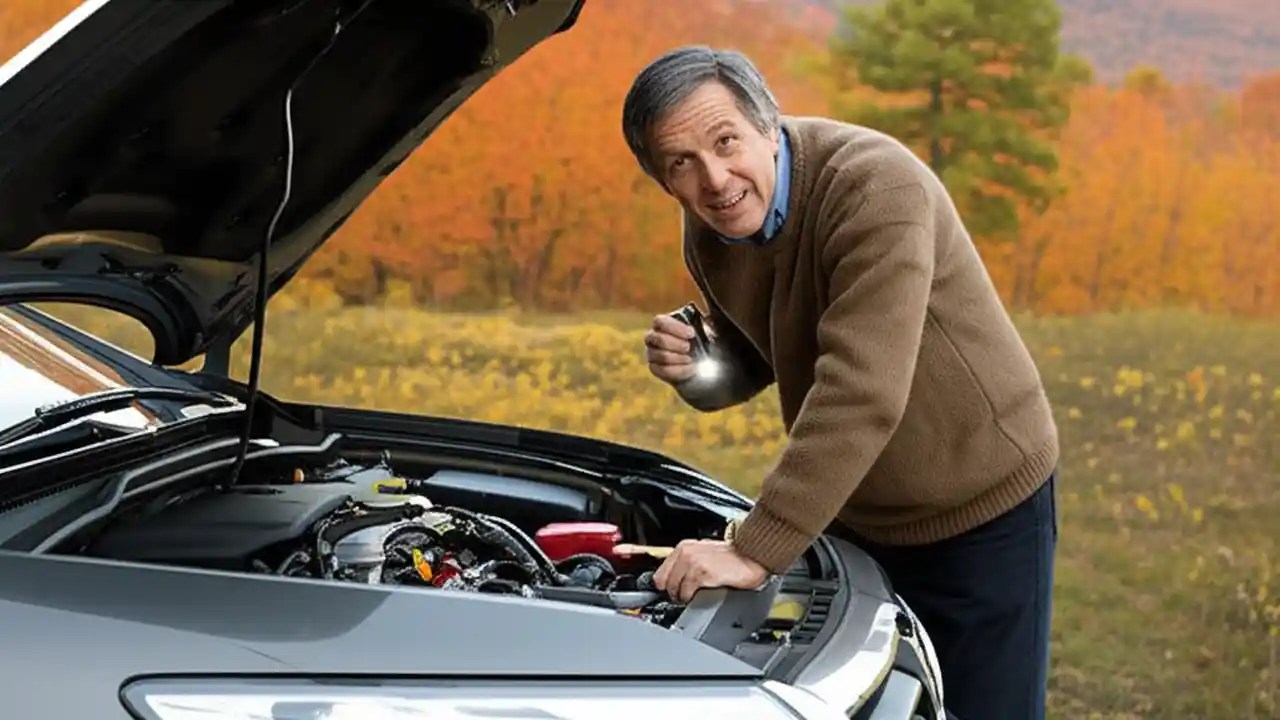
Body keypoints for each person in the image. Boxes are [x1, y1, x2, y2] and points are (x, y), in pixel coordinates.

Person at [622, 46, 1061, 719]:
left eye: (726, 141)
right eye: (682, 164)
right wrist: (698, 369)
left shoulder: (877, 189)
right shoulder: (713, 229)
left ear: (768, 124)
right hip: (857, 514)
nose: (715, 179)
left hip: (979, 506)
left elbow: (862, 389)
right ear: (662, 179)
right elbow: (757, 357)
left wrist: (753, 549)